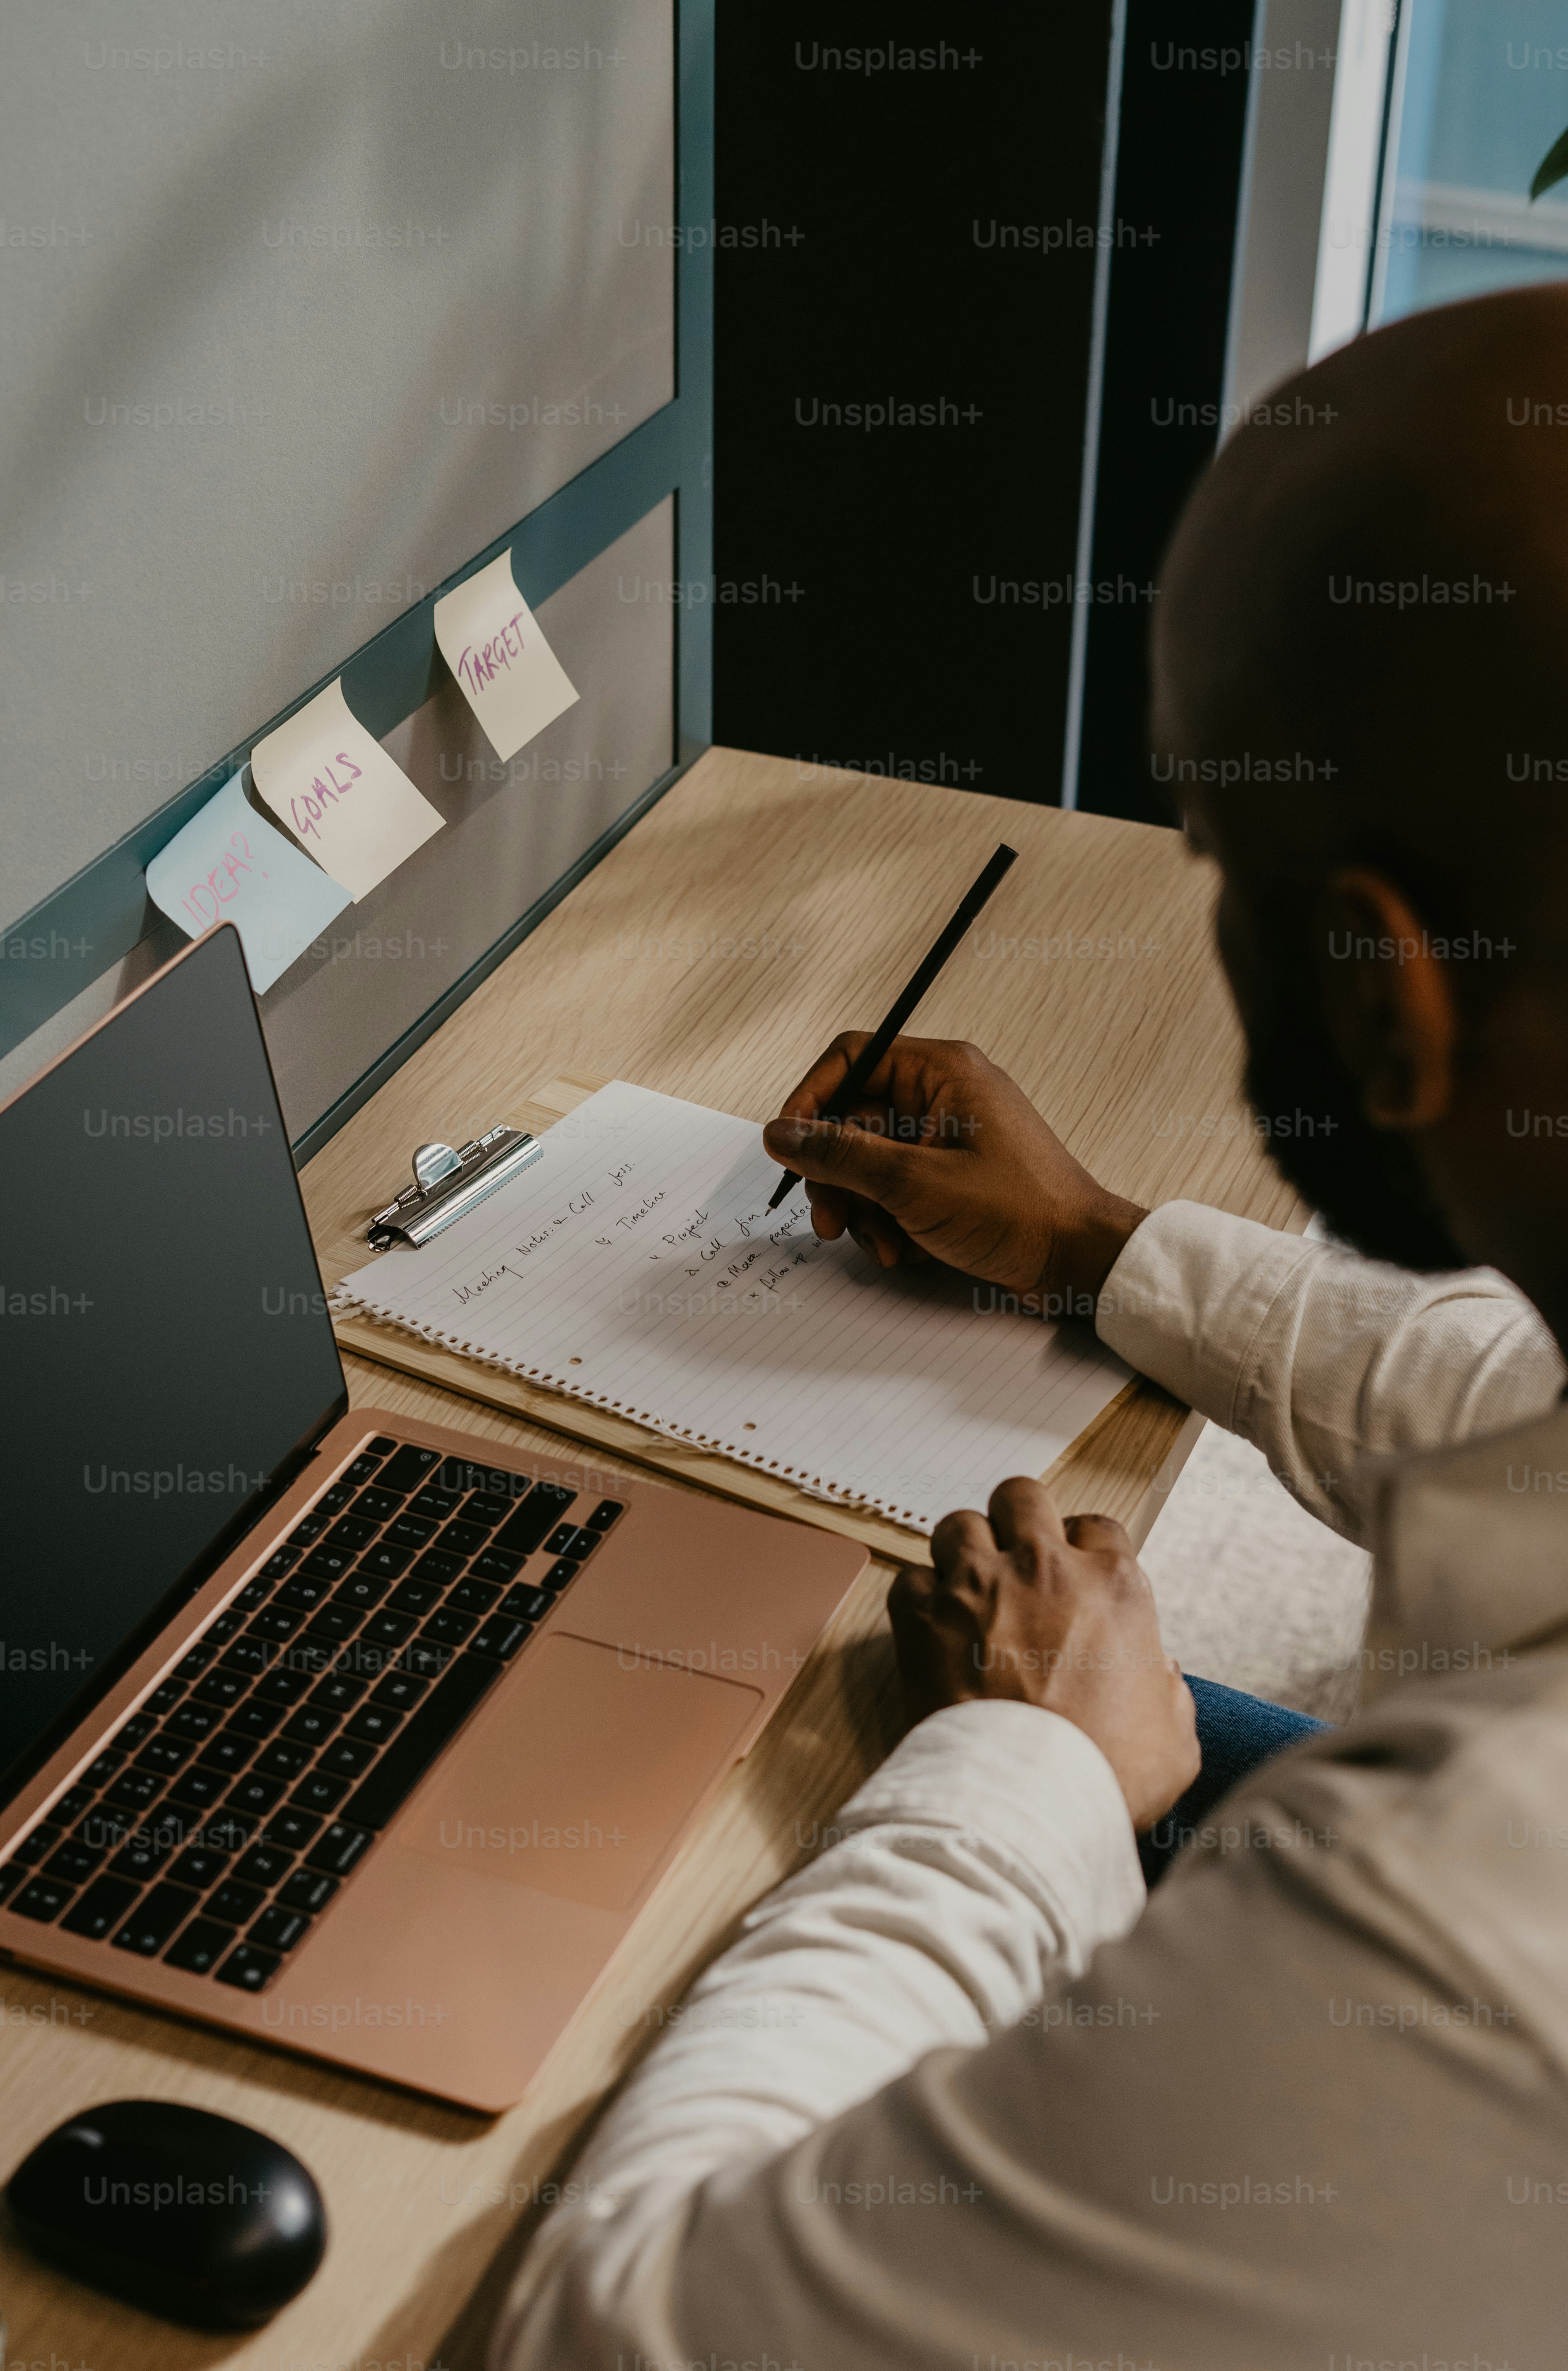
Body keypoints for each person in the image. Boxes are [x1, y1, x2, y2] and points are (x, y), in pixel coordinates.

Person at [492, 286, 1568, 2370]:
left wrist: (1032, 1769)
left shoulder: (1472, 1920)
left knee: (731, 1824)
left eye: (1213, 864)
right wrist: (1092, 1243)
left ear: (1377, 993)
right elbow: (1517, 1419)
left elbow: (617, 2334)